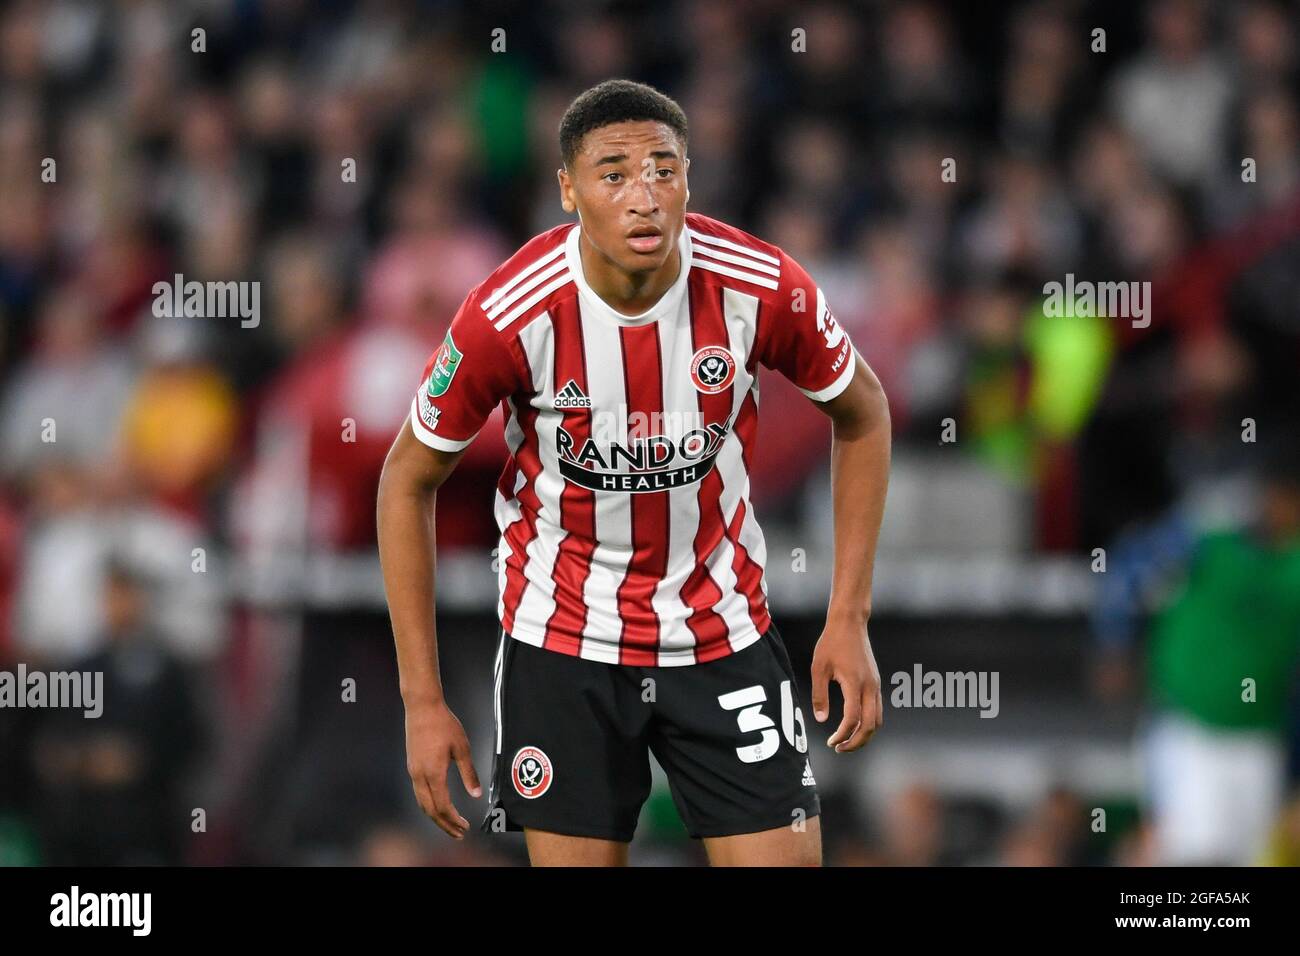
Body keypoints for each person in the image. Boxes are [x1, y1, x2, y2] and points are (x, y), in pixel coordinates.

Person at [377, 79, 892, 866]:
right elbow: (405, 479)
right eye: (613, 174)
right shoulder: (508, 313)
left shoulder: (761, 285)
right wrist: (422, 699)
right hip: (565, 641)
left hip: (721, 634)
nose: (643, 196)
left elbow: (864, 413)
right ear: (568, 190)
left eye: (662, 169)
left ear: (689, 179)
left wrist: (849, 617)